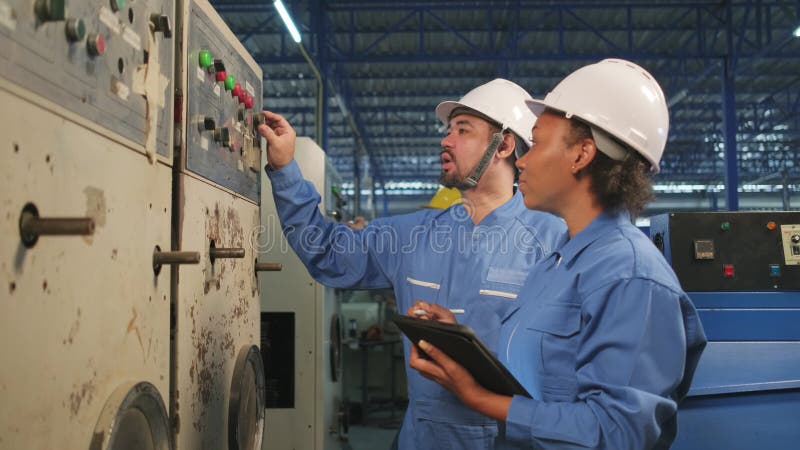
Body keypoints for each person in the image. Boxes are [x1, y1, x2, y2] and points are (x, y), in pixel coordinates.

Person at [408, 59, 708, 449]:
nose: (524, 160)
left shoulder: (629, 276)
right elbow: (544, 371)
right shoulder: (561, 261)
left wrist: (478, 398)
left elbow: (617, 432)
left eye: (538, 142)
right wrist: (462, 344)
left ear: (581, 155)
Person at [257, 79, 568, 450]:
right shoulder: (415, 234)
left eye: (462, 130)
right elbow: (326, 251)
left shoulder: (553, 240)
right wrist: (286, 169)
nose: (446, 141)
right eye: (448, 130)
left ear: (503, 145)